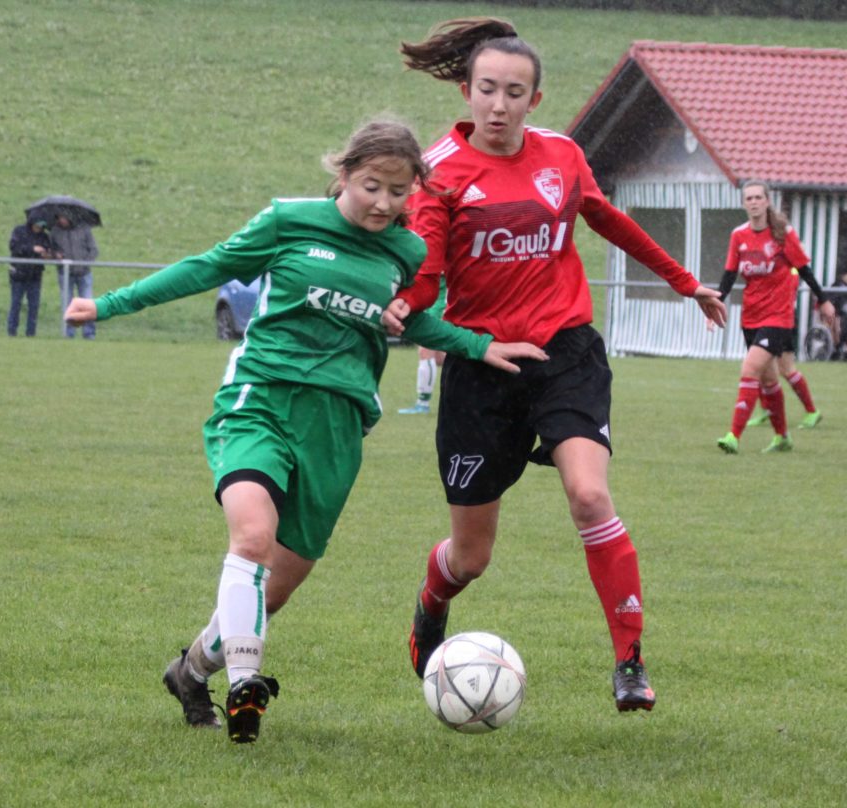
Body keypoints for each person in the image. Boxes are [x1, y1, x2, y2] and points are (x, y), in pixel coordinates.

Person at [64, 120, 547, 743]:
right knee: (252, 538)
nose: (383, 202)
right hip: (261, 399)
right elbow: (206, 267)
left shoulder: (406, 253)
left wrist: (479, 346)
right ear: (343, 174)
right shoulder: (287, 221)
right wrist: (108, 305)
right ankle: (245, 684)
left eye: (398, 191)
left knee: (271, 592)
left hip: (338, 427)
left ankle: (191, 672)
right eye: (371, 186)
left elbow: (414, 323)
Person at [382, 18, 727, 713]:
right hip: (483, 367)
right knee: (471, 558)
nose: (499, 105)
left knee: (590, 496)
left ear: (535, 100)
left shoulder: (562, 156)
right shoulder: (438, 172)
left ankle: (629, 662)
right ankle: (432, 601)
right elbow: (428, 275)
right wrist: (400, 303)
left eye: (515, 93)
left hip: (566, 351)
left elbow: (608, 220)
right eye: (487, 89)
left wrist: (685, 282)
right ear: (466, 90)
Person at [715, 181, 835, 454]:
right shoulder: (739, 235)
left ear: (767, 201)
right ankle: (782, 437)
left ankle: (733, 436)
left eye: (758, 197)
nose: (754, 202)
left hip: (778, 318)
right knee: (769, 381)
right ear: (744, 204)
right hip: (750, 317)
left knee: (749, 370)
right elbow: (729, 275)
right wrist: (715, 304)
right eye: (749, 198)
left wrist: (823, 299)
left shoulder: (782, 234)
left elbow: (805, 270)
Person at [744, 270, 827, 429]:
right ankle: (767, 410)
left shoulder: (789, 265)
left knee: (786, 368)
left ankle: (812, 411)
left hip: (781, 319)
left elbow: (791, 283)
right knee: (759, 367)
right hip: (761, 318)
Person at [398, 276, 447, 415]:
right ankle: (475, 368)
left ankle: (423, 403)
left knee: (425, 351)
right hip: (431, 305)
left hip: (438, 307)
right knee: (439, 358)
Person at [7, 218, 57, 337]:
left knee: (34, 305)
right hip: (18, 274)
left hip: (35, 275)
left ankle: (31, 333)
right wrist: (32, 249)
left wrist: (47, 255)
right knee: (16, 303)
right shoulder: (19, 231)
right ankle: (12, 331)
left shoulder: (44, 236)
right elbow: (14, 247)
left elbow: (49, 252)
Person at [52, 212, 98, 339]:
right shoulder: (55, 231)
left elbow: (93, 250)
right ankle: (69, 333)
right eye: (59, 218)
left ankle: (89, 333)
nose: (61, 220)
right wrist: (56, 255)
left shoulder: (84, 229)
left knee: (87, 303)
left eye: (63, 217)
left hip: (84, 273)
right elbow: (52, 249)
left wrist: (84, 264)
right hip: (65, 273)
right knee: (67, 303)